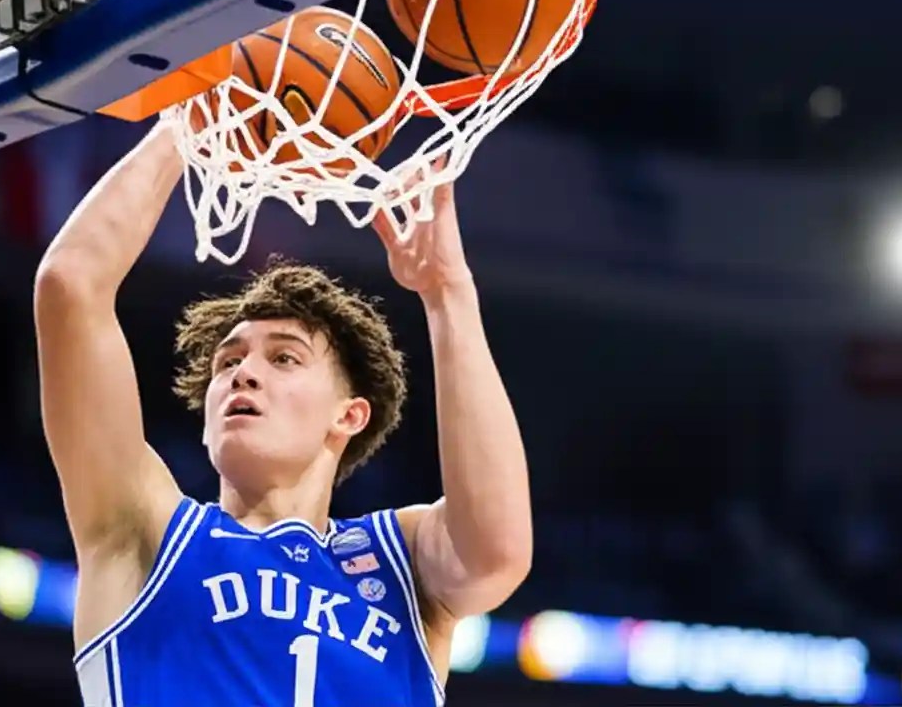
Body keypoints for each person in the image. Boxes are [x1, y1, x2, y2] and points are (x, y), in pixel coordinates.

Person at [33, 119, 533, 707]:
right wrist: (189, 125)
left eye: (284, 359)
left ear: (348, 415)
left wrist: (448, 293)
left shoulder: (402, 564)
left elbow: (498, 551)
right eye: (228, 363)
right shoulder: (147, 532)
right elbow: (71, 284)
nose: (243, 373)